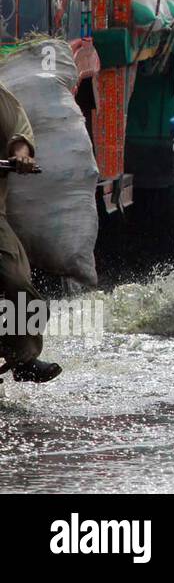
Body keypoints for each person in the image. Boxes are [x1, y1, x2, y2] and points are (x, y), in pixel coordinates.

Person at [0, 83, 62, 383]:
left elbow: (19, 134)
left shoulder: (3, 99)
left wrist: (21, 156)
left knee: (17, 284)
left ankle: (24, 357)